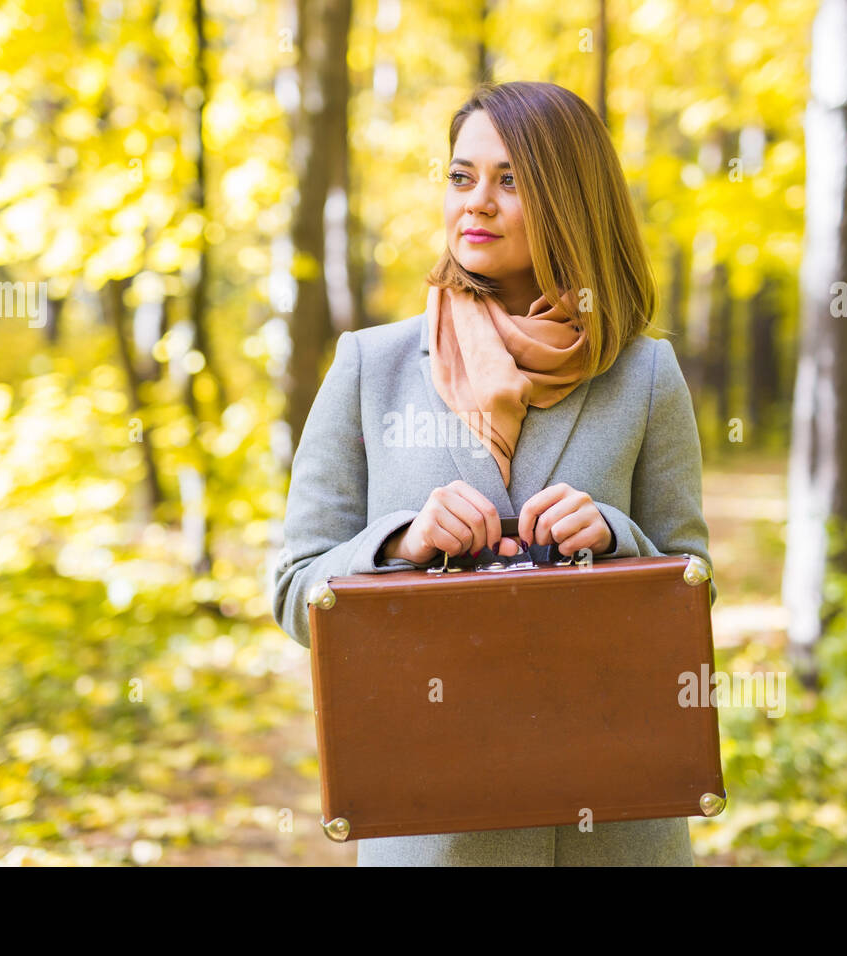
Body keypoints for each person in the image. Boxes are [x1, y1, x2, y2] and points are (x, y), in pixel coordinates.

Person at [270, 80, 716, 866]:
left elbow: (695, 586)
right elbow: (293, 587)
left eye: (510, 180)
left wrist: (617, 537)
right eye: (461, 176)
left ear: (569, 197)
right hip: (433, 828)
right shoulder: (371, 367)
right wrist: (396, 543)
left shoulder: (645, 374)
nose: (476, 202)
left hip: (612, 825)